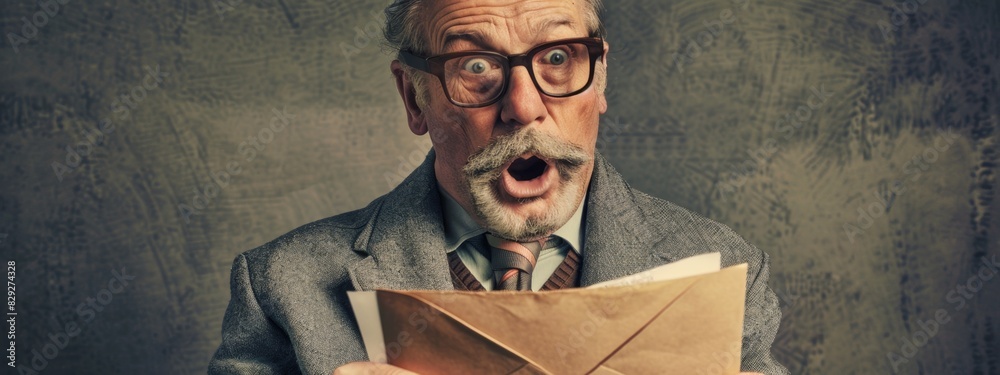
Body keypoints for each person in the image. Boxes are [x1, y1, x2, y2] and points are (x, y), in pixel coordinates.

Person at [209, 0, 788, 374]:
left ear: (601, 75)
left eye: (558, 57)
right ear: (415, 98)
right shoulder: (283, 287)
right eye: (476, 67)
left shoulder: (724, 273)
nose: (523, 107)